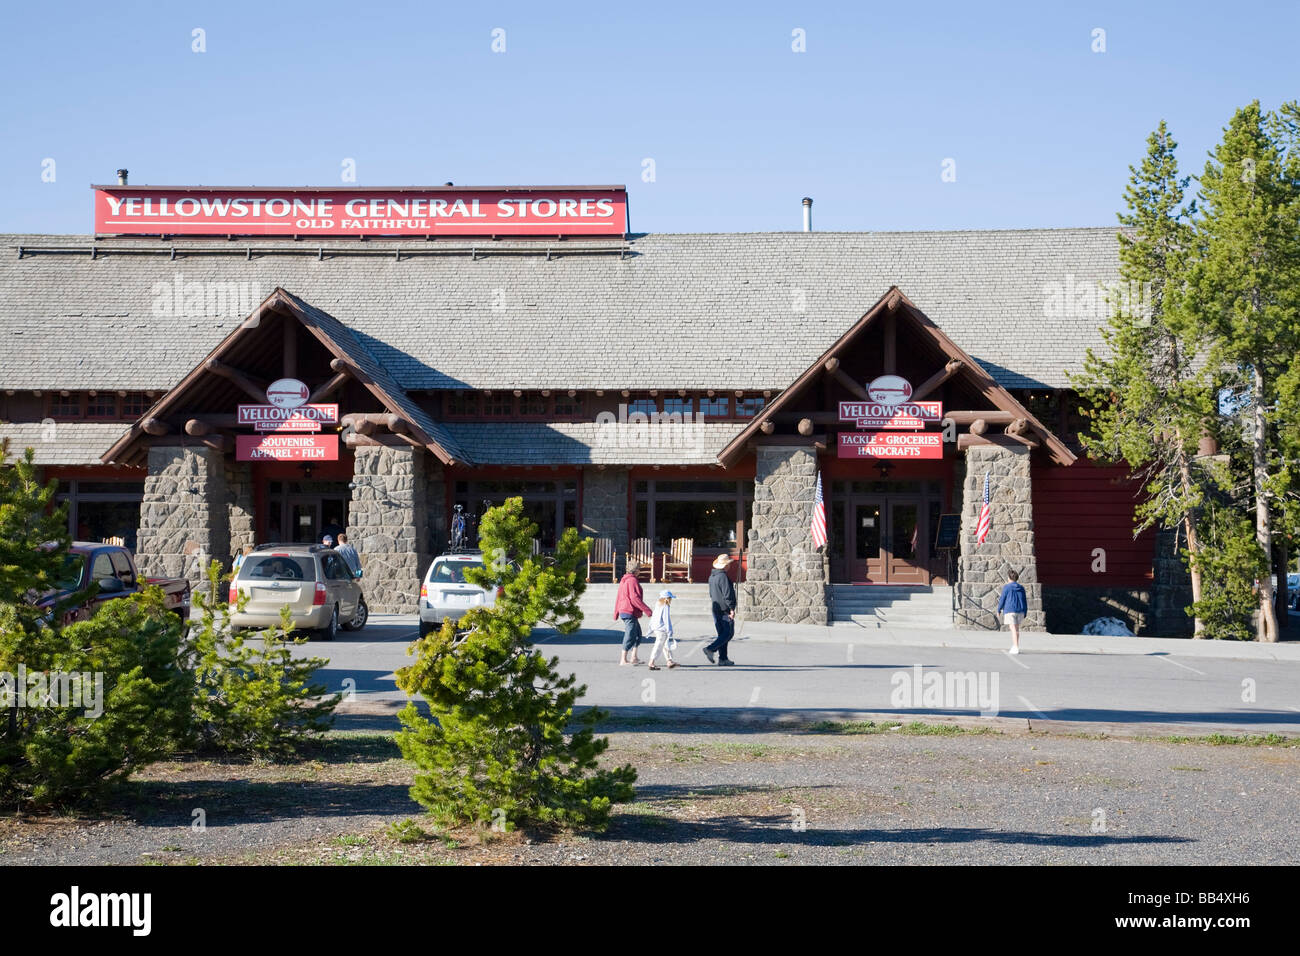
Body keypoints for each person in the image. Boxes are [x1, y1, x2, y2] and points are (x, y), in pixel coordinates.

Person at [614, 560, 653, 666]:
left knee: (637, 634)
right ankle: (623, 659)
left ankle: (634, 657)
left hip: (626, 610)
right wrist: (647, 610)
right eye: (639, 569)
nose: (640, 571)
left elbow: (618, 597)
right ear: (636, 570)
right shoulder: (632, 581)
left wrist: (616, 612)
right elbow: (634, 598)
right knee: (630, 634)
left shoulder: (625, 580)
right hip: (628, 611)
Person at [703, 554, 737, 665]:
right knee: (728, 633)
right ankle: (711, 649)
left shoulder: (712, 576)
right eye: (729, 564)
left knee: (722, 634)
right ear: (725, 565)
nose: (730, 566)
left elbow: (711, 594)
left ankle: (723, 658)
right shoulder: (723, 577)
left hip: (715, 607)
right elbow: (727, 594)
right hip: (724, 608)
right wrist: (731, 608)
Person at [646, 590, 679, 671]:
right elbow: (666, 619)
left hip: (656, 627)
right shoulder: (665, 605)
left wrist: (650, 628)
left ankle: (669, 661)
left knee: (665, 645)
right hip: (661, 628)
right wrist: (670, 630)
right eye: (670, 598)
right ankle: (651, 662)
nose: (671, 600)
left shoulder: (658, 604)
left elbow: (654, 617)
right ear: (667, 598)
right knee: (659, 645)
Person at [997, 569, 1028, 654]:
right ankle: (1015, 645)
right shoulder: (1021, 588)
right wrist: (1025, 611)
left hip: (1010, 609)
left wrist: (999, 609)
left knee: (1012, 628)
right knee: (1016, 628)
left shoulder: (1007, 587)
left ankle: (1016, 646)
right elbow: (1024, 600)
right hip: (1020, 610)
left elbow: (1002, 599)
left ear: (1009, 578)